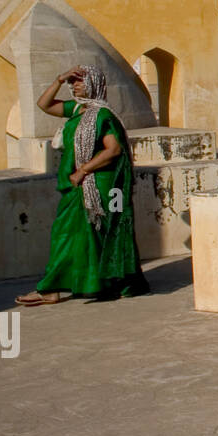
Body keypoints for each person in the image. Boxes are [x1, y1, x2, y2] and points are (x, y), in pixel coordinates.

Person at [15, 65, 149, 305]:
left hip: (98, 185)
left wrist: (83, 171)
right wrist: (59, 78)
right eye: (73, 82)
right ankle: (71, 286)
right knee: (72, 235)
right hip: (77, 185)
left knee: (95, 234)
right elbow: (44, 105)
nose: (75, 85)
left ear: (95, 84)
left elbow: (114, 149)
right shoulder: (77, 110)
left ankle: (56, 288)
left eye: (81, 81)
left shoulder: (103, 115)